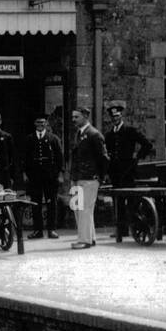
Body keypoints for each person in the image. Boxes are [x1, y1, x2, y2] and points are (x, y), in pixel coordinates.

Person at [104, 101, 155, 238]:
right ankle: (121, 230)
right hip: (115, 173)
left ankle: (135, 227)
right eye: (113, 117)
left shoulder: (130, 131)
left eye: (117, 116)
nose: (115, 119)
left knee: (131, 200)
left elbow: (147, 145)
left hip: (129, 171)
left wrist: (137, 157)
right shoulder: (109, 135)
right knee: (118, 202)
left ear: (121, 117)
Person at [68, 107, 108, 249]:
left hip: (90, 178)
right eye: (73, 117)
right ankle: (89, 237)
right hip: (78, 177)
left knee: (85, 209)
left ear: (85, 117)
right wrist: (72, 177)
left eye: (76, 117)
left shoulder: (94, 134)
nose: (73, 120)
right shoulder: (79, 134)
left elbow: (103, 158)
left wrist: (100, 177)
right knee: (78, 208)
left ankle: (84, 241)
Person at [23, 114, 64, 239]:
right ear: (35, 124)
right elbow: (25, 158)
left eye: (42, 123)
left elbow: (60, 158)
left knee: (51, 202)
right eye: (38, 123)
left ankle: (51, 229)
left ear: (46, 124)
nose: (40, 125)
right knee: (36, 203)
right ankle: (38, 230)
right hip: (34, 176)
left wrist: (60, 174)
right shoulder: (29, 139)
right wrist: (25, 173)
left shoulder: (53, 138)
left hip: (50, 176)